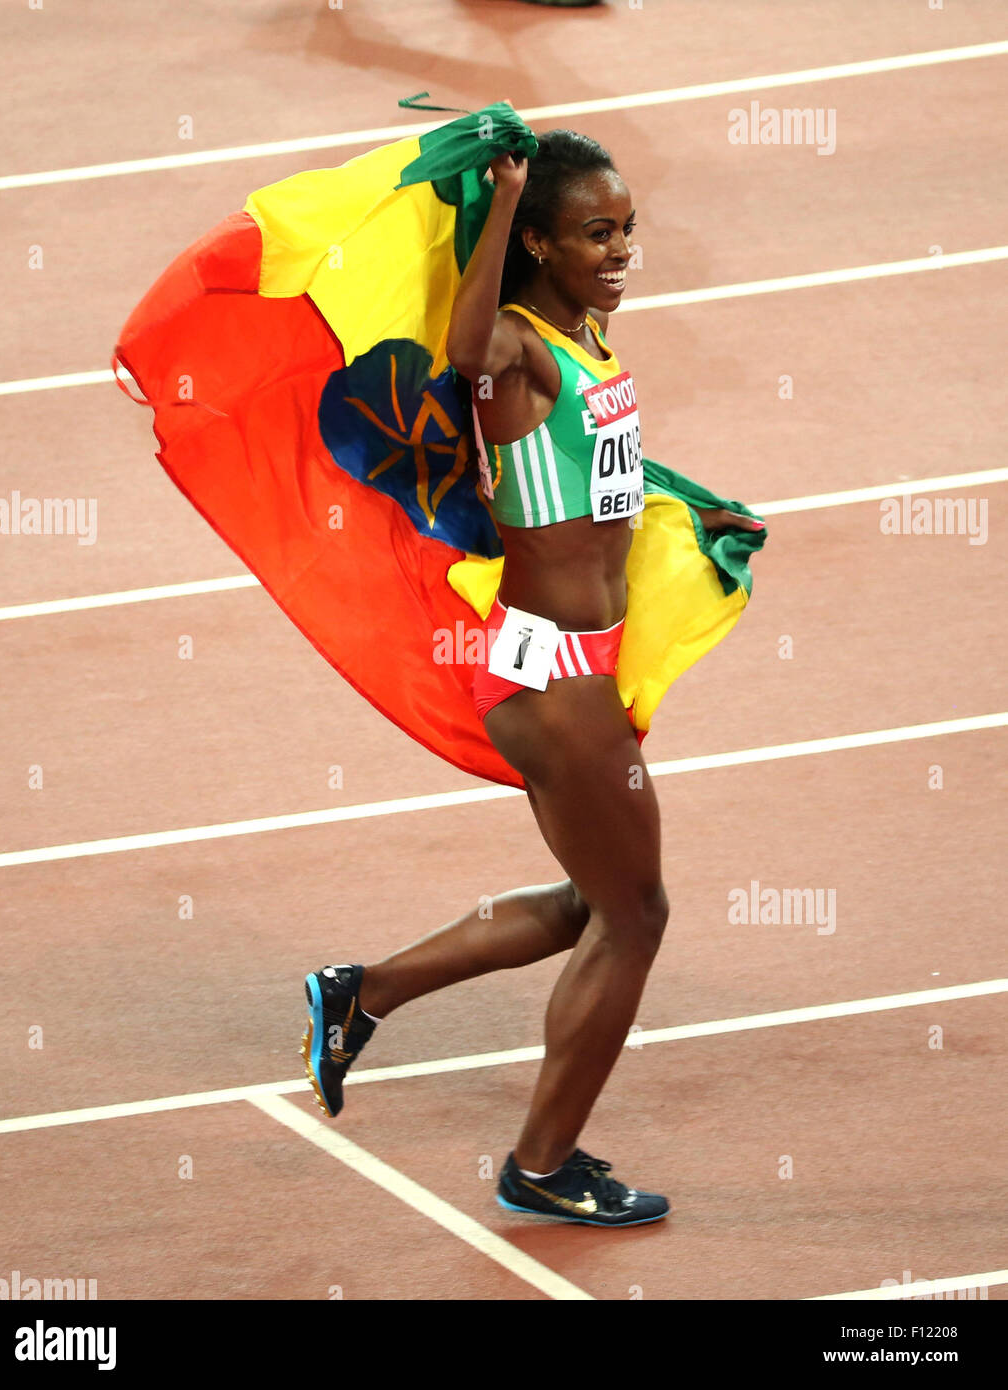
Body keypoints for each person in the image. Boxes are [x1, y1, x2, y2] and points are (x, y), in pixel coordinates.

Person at [302, 130, 763, 1226]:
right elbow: (462, 355)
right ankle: (541, 1166)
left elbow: (597, 475)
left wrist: (689, 505)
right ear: (542, 243)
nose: (619, 252)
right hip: (548, 675)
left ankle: (361, 993)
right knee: (636, 913)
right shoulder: (516, 342)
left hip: (576, 663)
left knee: (591, 902)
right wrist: (503, 200)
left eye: (626, 231)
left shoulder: (586, 333)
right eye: (595, 234)